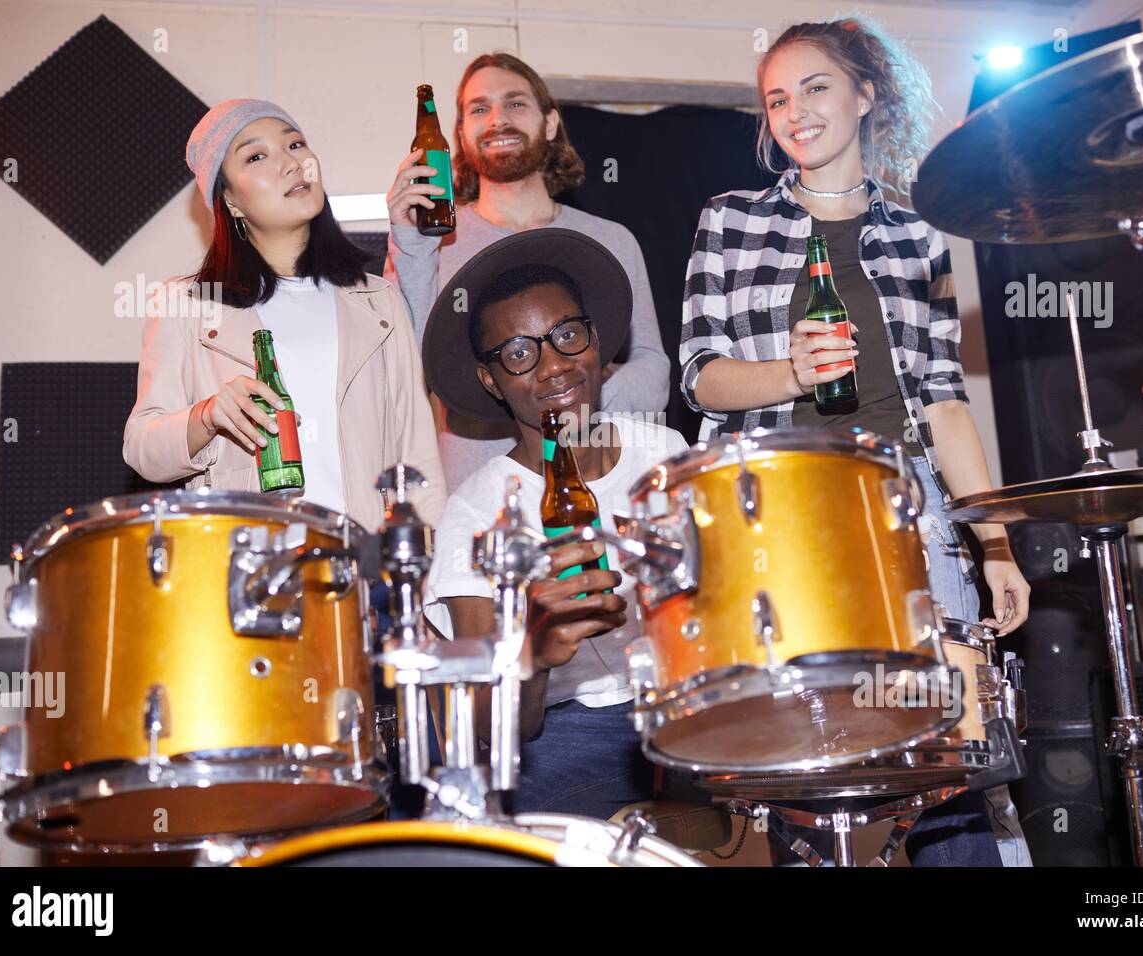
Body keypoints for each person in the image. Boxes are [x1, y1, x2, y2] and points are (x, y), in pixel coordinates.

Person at [680, 18, 1031, 866]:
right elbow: (699, 375)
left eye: (814, 87)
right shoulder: (729, 221)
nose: (793, 112)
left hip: (908, 505)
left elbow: (946, 402)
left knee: (955, 759)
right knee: (808, 765)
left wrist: (995, 544)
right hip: (777, 512)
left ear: (867, 94)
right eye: (776, 100)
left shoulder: (920, 233)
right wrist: (790, 373)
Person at [419, 229, 689, 820]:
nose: (554, 367)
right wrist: (531, 653)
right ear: (491, 380)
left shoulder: (665, 454)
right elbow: (494, 728)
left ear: (596, 343)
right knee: (491, 819)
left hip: (685, 707)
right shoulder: (477, 513)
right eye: (520, 352)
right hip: (570, 731)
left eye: (567, 336)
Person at [123, 98, 445, 532]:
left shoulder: (379, 302)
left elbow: (417, 458)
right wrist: (208, 414)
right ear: (230, 201)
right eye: (257, 156)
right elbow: (142, 448)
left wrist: (428, 589)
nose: (292, 163)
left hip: (363, 575)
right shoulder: (188, 304)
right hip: (247, 574)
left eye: (296, 145)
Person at [384, 52, 670, 493]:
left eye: (515, 103)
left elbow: (654, 371)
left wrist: (570, 393)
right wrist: (409, 243)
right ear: (460, 134)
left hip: (602, 487)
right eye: (480, 109)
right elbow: (403, 371)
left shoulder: (610, 239)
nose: (498, 118)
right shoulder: (429, 246)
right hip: (480, 504)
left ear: (551, 124)